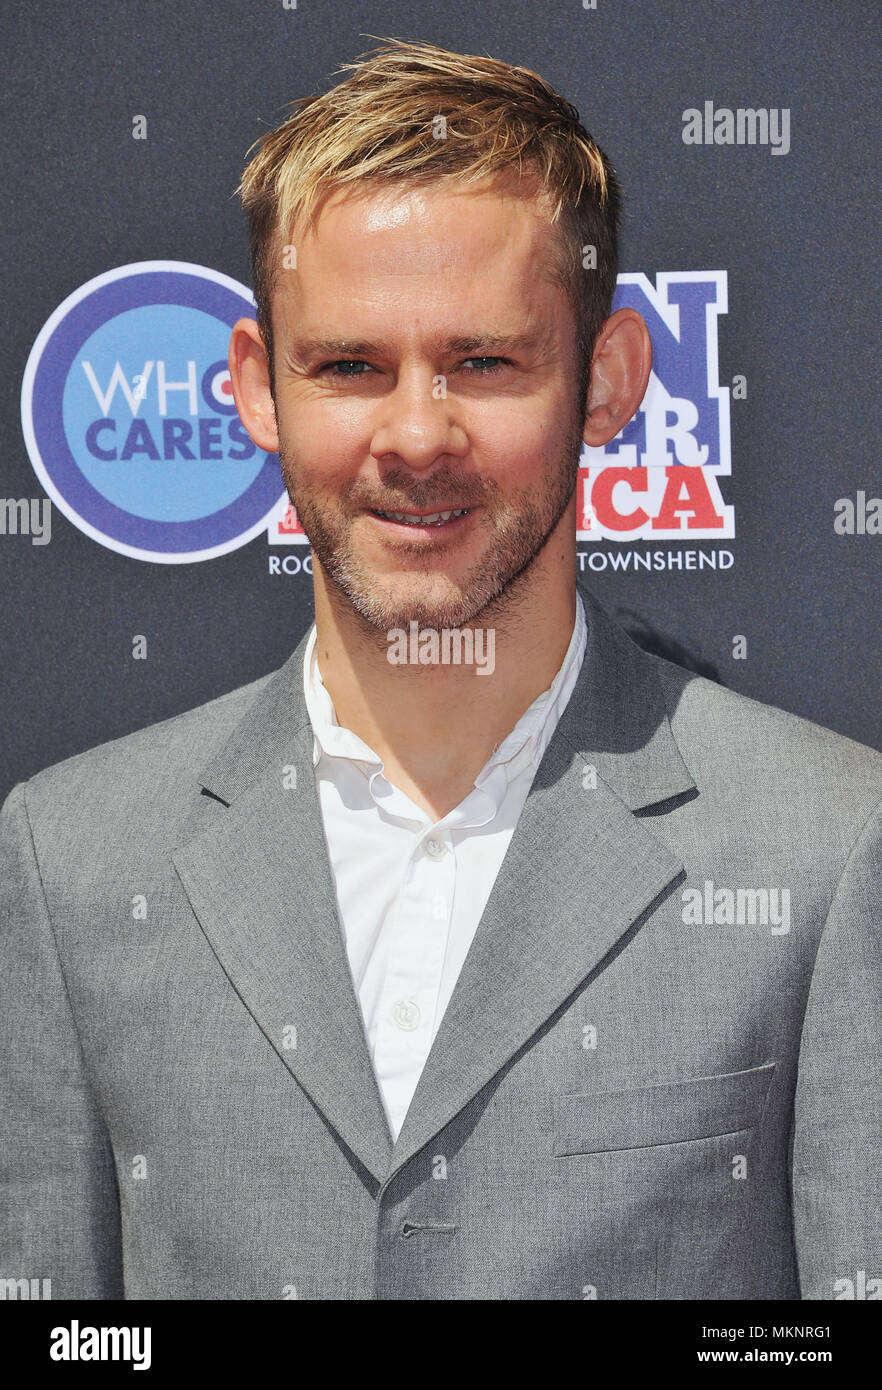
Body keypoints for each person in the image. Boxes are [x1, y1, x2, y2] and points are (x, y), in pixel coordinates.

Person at [1, 37, 880, 1302]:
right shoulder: (70, 862)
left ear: (609, 380)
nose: (417, 434)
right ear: (258, 389)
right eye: (350, 365)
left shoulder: (829, 851)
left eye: (485, 362)